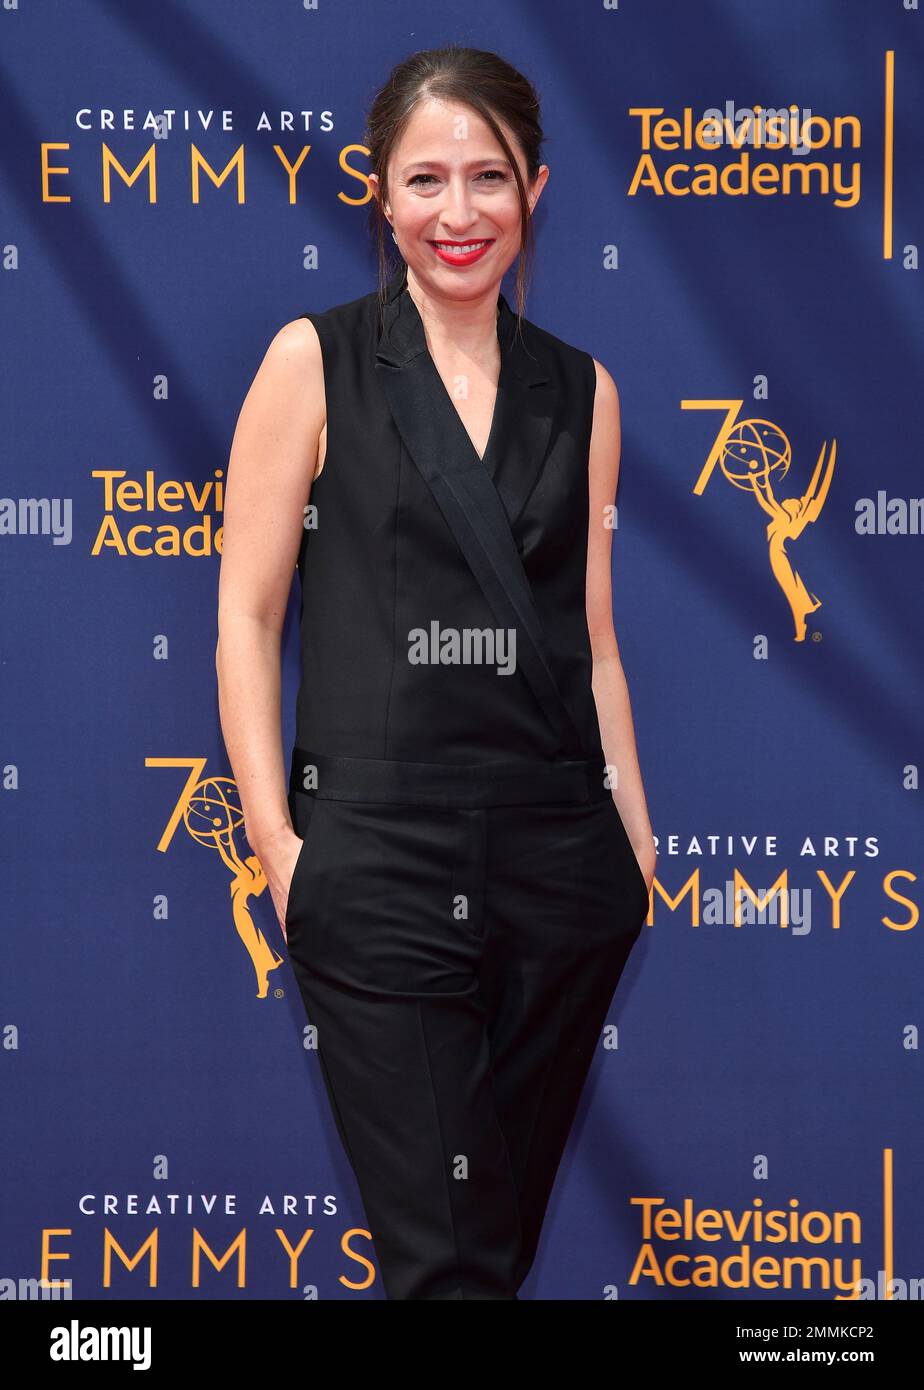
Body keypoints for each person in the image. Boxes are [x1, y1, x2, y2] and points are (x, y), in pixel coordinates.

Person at [216, 43, 656, 1300]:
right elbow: (246, 616)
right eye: (425, 179)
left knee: (490, 1256)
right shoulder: (317, 361)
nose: (457, 213)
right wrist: (279, 846)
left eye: (489, 177)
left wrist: (633, 839)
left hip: (561, 868)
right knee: (444, 1260)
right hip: (377, 861)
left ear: (537, 188)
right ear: (380, 193)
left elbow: (594, 634)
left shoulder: (585, 393)